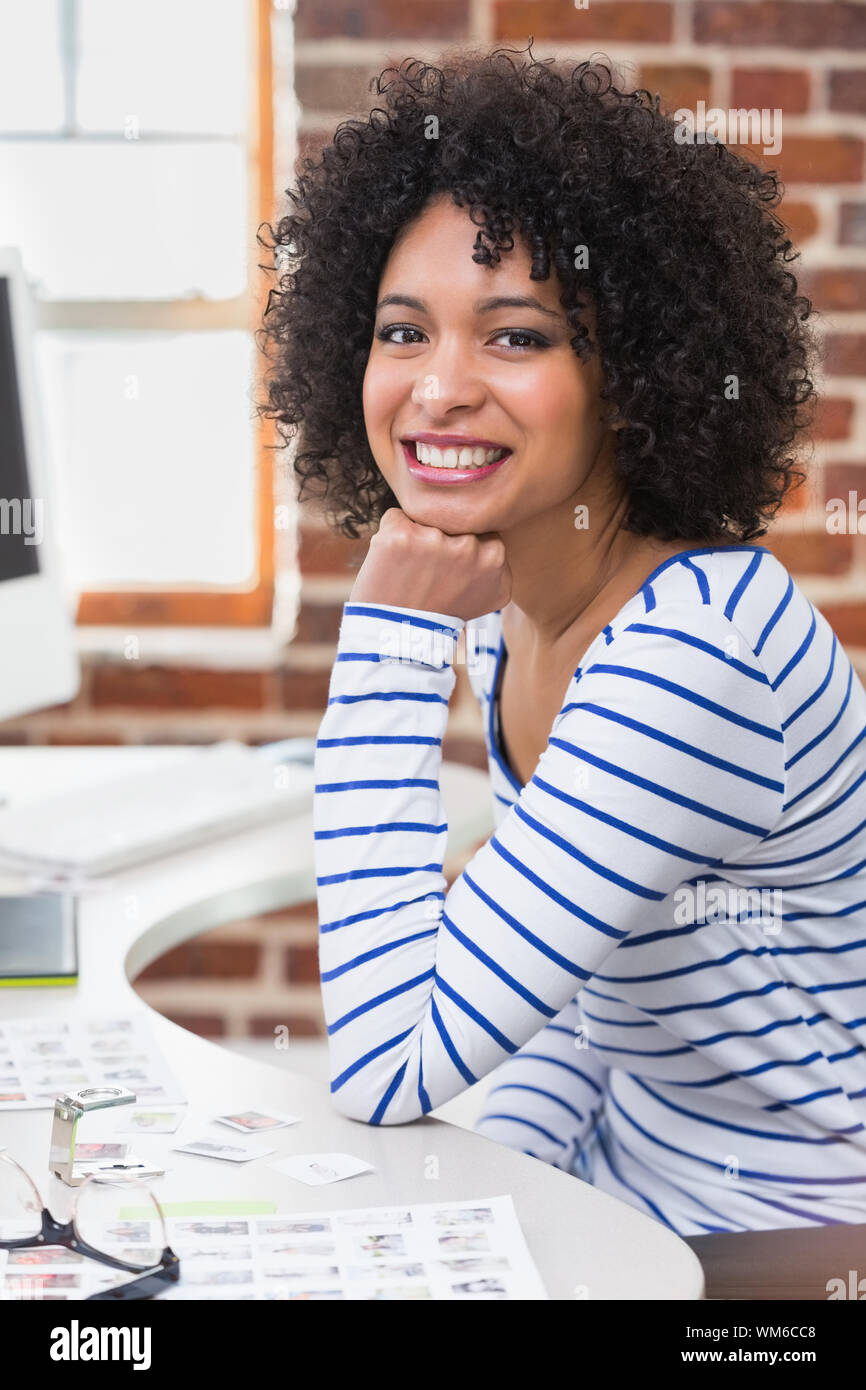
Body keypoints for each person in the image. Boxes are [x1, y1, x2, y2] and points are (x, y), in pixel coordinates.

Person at [256, 47, 866, 1240]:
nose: (437, 388)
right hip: (640, 1198)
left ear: (626, 373)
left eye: (517, 337)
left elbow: (387, 1060)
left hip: (791, 1245)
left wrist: (385, 649)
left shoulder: (692, 659)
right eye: (399, 330)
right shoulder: (527, 616)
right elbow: (588, 1011)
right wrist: (484, 1194)